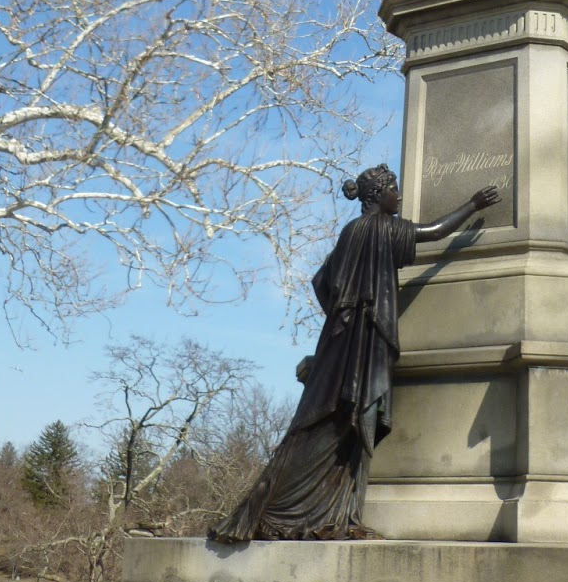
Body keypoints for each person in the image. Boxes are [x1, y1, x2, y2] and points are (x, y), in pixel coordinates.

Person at [208, 165, 499, 542]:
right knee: (352, 418)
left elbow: (320, 280)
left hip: (339, 340)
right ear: (377, 196)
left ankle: (315, 512)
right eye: (394, 189)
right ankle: (307, 513)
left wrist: (340, 314)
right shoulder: (380, 227)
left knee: (335, 420)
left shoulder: (350, 232)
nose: (399, 195)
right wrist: (472, 204)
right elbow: (434, 232)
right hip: (362, 343)